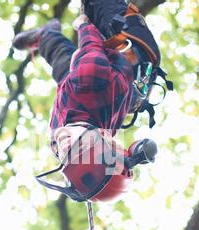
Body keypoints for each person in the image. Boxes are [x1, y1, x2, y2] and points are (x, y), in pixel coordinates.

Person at [12, 1, 164, 202]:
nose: (66, 147)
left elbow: (72, 149)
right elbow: (91, 47)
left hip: (77, 92)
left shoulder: (60, 135)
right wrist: (83, 25)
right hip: (122, 55)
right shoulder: (90, 79)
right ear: (104, 137)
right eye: (79, 147)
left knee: (62, 66)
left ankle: (46, 35)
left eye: (67, 157)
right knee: (95, 8)